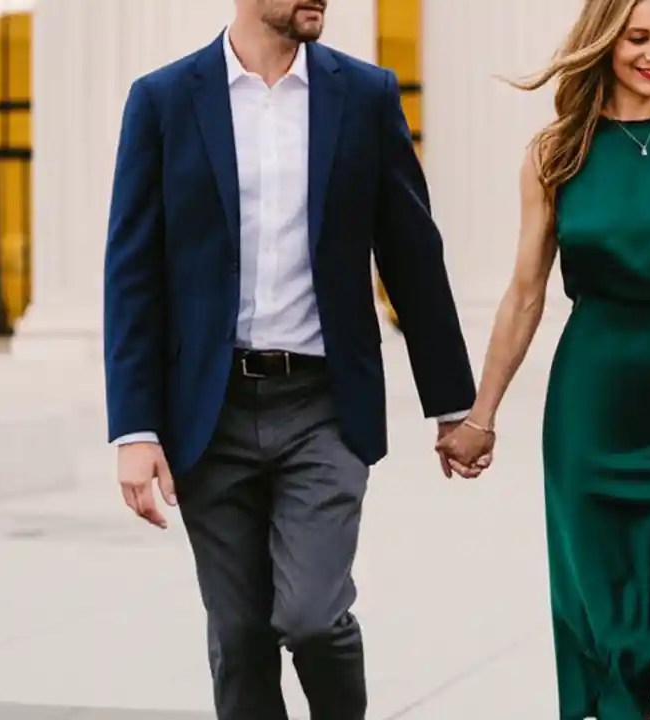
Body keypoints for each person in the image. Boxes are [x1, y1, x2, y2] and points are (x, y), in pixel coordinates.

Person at [102, 1, 478, 718]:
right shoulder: (163, 100)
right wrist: (135, 428)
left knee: (311, 615)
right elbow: (132, 272)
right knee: (239, 635)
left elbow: (411, 254)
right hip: (208, 413)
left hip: (324, 405)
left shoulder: (364, 94)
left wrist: (453, 405)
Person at [435, 0, 650, 717]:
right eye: (638, 38)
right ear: (603, 40)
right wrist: (482, 413)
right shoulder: (554, 153)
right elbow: (524, 297)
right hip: (589, 420)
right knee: (610, 640)